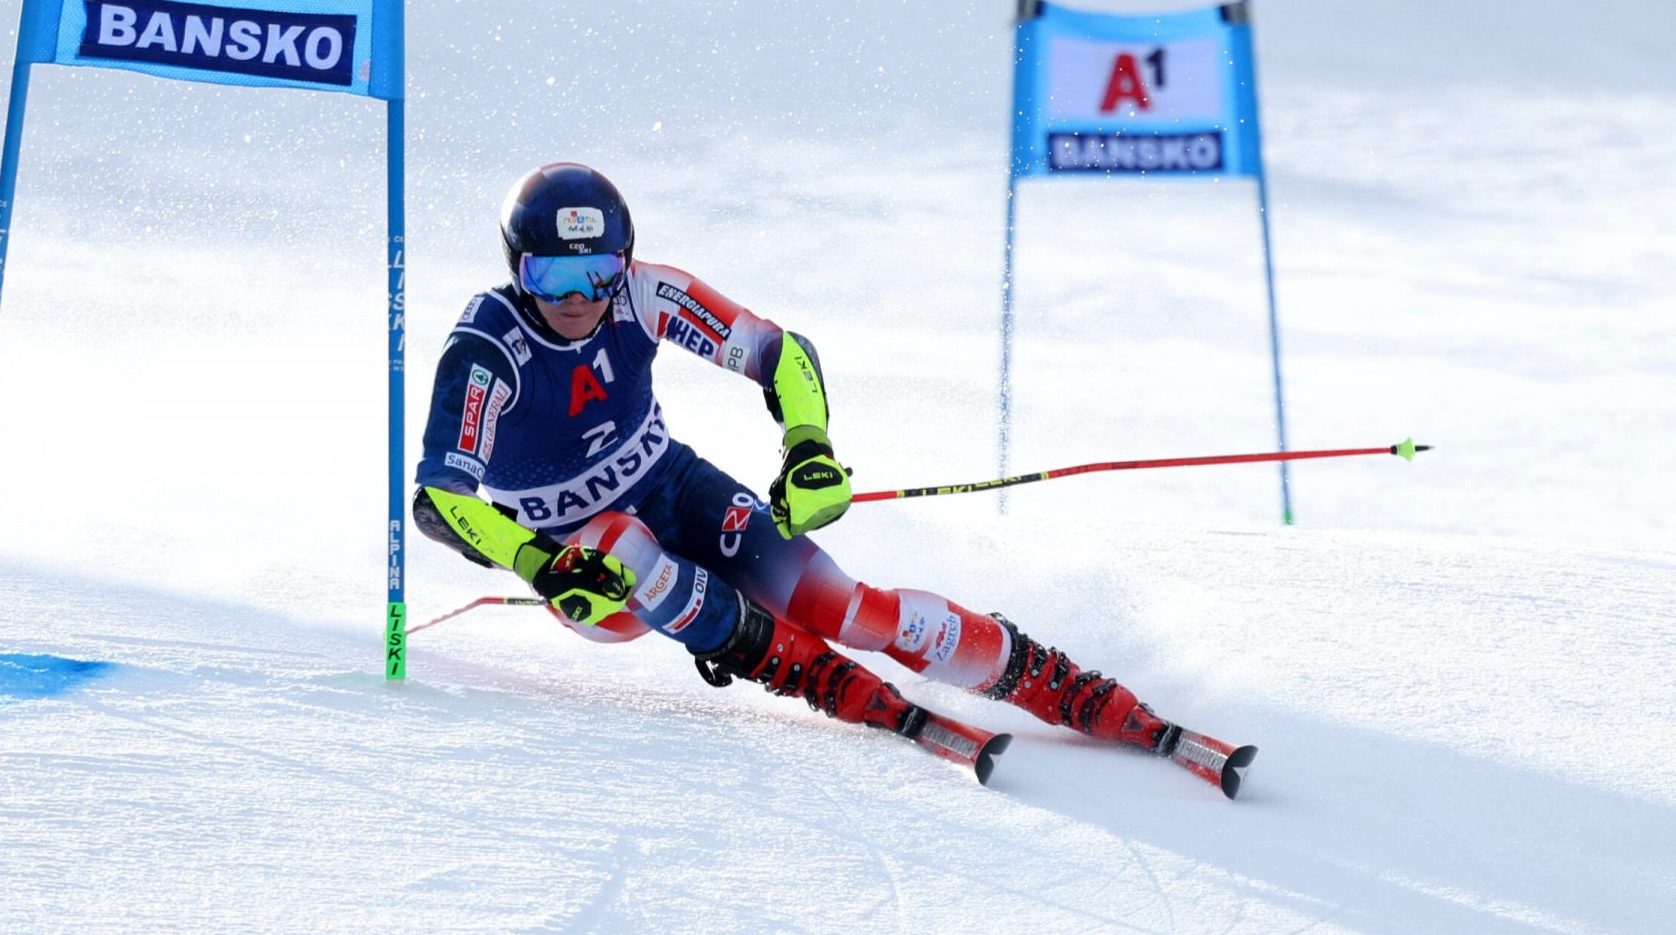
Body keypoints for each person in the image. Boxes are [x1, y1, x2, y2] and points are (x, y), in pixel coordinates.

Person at [413, 163, 1246, 788]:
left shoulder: (646, 292)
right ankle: (802, 672)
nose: (582, 297)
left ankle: (1053, 682)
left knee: (849, 607)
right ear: (517, 269)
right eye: (553, 276)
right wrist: (533, 562)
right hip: (581, 560)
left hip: (673, 483)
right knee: (625, 549)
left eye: (599, 272)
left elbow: (780, 354)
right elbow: (440, 500)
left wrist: (807, 445)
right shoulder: (491, 345)